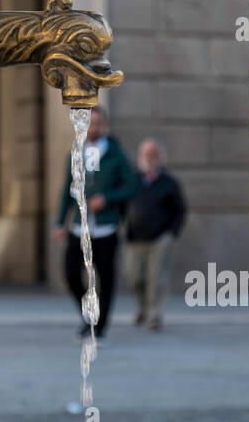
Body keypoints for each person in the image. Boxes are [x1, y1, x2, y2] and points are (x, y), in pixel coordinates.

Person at [52, 107, 137, 338]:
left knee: (105, 279)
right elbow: (66, 191)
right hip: (79, 228)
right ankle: (89, 313)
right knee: (70, 273)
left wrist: (107, 199)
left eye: (98, 123)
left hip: (106, 229)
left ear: (105, 126)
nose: (94, 127)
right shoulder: (76, 153)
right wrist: (60, 222)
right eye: (90, 123)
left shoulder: (115, 154)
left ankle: (99, 328)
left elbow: (132, 186)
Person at [124, 139, 187, 331]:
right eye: (146, 154)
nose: (150, 158)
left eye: (154, 154)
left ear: (160, 158)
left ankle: (154, 315)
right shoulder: (132, 180)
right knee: (134, 277)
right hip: (135, 238)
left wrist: (171, 233)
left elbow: (180, 209)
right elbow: (121, 204)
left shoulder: (169, 182)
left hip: (160, 238)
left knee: (157, 278)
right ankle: (142, 308)